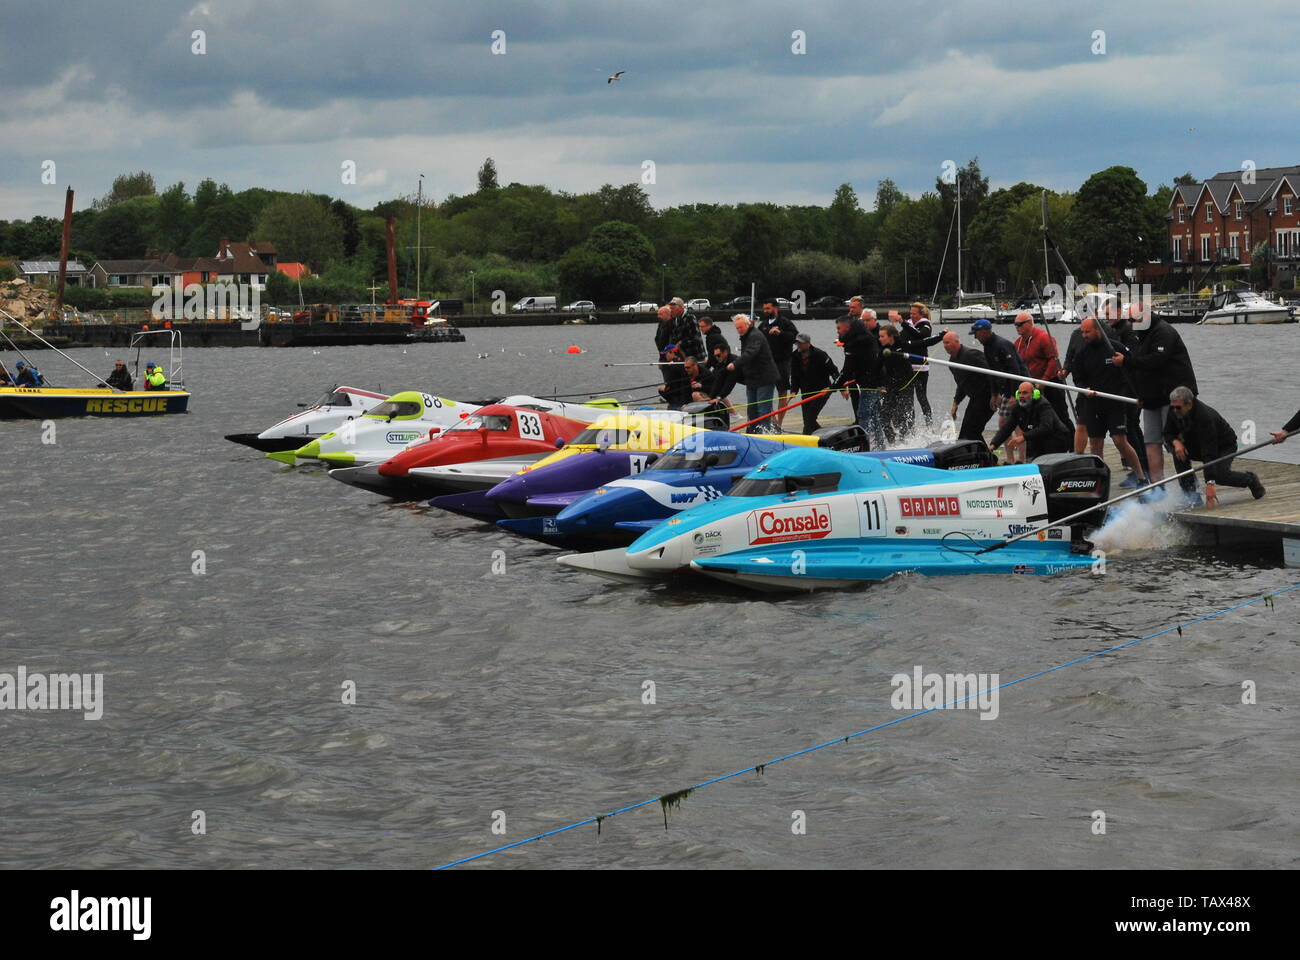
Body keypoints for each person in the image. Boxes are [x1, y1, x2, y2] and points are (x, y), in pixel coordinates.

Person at [1112, 310, 1197, 485]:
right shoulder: (1139, 336)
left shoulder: (1163, 331)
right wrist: (1139, 394)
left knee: (1175, 443)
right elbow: (1138, 368)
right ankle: (1158, 488)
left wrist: (1127, 361)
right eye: (1129, 320)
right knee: (1151, 442)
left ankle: (1189, 488)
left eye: (1133, 320)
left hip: (1172, 398)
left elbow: (1157, 360)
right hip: (1151, 398)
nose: (1130, 324)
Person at [1072, 318, 1148, 483]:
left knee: (1120, 441)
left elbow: (1132, 370)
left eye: (1087, 332)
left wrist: (1137, 393)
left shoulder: (1116, 348)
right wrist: (1085, 389)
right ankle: (1100, 481)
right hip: (1093, 404)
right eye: (1082, 332)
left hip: (1115, 403)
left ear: (1097, 331)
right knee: (1096, 444)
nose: (1084, 335)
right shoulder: (1082, 353)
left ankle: (1141, 476)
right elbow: (1078, 379)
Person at [1164, 386, 1264, 507]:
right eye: (1172, 407)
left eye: (1178, 408)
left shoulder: (1205, 417)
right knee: (1178, 453)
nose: (1174, 410)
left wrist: (1210, 483)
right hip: (1197, 445)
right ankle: (1191, 496)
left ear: (1189, 405)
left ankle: (1250, 479)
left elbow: (1209, 452)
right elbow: (1167, 432)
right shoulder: (1174, 410)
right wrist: (1176, 442)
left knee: (1219, 475)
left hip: (1224, 446)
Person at [1105, 305, 1152, 485]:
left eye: (1109, 313)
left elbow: (1133, 357)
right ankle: (1139, 466)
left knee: (1130, 426)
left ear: (1119, 312)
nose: (1106, 317)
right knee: (1131, 427)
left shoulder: (1127, 331)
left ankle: (1141, 467)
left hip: (1131, 386)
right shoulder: (1114, 330)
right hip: (1122, 384)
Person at [972, 318, 1028, 461]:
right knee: (1004, 423)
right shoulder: (987, 346)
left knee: (1016, 424)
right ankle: (1010, 459)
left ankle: (1021, 459)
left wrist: (1015, 395)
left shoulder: (1002, 344)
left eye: (976, 333)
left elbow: (1015, 369)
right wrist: (994, 394)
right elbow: (992, 372)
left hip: (1019, 388)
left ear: (984, 332)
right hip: (1006, 389)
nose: (975, 337)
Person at [1013, 312, 1072, 432]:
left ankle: (1070, 443)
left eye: (1020, 324)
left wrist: (1044, 381)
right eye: (1016, 325)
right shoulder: (1018, 343)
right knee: (1038, 417)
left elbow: (1053, 360)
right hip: (1032, 385)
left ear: (1029, 323)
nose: (1017, 327)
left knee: (1060, 415)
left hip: (1051, 382)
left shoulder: (1043, 337)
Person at [834, 313, 885, 449]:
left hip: (871, 383)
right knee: (873, 416)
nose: (837, 331)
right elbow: (858, 364)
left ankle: (863, 447)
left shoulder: (855, 343)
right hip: (876, 381)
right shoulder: (863, 337)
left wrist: (833, 386)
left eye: (839, 328)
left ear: (847, 327)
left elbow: (847, 370)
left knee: (863, 414)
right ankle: (880, 446)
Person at [988, 382, 1072, 460]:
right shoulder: (1017, 408)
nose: (1021, 396)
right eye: (1019, 393)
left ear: (1034, 394)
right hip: (1038, 441)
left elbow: (1046, 427)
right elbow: (1007, 428)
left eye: (1025, 393)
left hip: (1057, 439)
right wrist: (993, 444)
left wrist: (1024, 437)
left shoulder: (1043, 405)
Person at [942, 331, 997, 442]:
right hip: (975, 399)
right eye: (943, 343)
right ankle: (982, 457)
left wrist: (995, 395)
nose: (945, 346)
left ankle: (988, 458)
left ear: (957, 342)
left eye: (948, 343)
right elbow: (962, 384)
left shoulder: (972, 354)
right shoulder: (952, 362)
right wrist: (956, 402)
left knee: (972, 432)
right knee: (965, 434)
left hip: (987, 398)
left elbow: (992, 373)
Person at [731, 314, 779, 432]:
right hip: (752, 378)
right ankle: (752, 432)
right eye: (737, 328)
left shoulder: (755, 335)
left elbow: (751, 353)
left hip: (765, 377)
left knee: (763, 410)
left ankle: (765, 433)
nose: (739, 330)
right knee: (751, 409)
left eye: (741, 327)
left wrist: (735, 364)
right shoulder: (745, 336)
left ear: (748, 324)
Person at [757, 298, 799, 429]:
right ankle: (773, 420)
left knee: (782, 392)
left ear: (776, 308)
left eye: (768, 308)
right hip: (766, 364)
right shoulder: (762, 325)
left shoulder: (785, 323)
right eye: (764, 309)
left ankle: (780, 423)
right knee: (765, 393)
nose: (765, 311)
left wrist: (780, 333)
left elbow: (795, 337)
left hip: (782, 362)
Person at [900, 302, 943, 427]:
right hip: (907, 366)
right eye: (910, 313)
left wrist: (903, 323)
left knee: (921, 397)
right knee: (908, 399)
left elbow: (920, 336)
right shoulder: (908, 324)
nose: (911, 315)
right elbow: (902, 338)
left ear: (921, 314)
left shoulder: (925, 325)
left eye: (914, 314)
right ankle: (910, 427)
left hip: (920, 367)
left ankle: (929, 425)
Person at [789, 332, 838, 433]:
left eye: (800, 343)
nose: (798, 345)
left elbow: (833, 370)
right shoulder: (795, 356)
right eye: (797, 343)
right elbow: (794, 375)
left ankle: (805, 440)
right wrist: (794, 390)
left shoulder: (820, 354)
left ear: (808, 344)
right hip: (806, 392)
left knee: (809, 419)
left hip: (822, 391)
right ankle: (822, 434)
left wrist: (841, 388)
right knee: (807, 420)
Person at [877, 324, 917, 443]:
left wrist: (941, 336)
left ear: (891, 337)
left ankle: (906, 440)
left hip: (906, 386)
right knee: (883, 417)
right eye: (879, 336)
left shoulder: (903, 346)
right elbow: (876, 368)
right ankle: (892, 442)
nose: (880, 339)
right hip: (891, 387)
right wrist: (878, 383)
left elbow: (923, 342)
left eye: (882, 336)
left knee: (903, 416)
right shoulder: (882, 350)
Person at [701, 341, 739, 427]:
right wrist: (711, 397)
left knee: (761, 406)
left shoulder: (732, 362)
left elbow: (729, 383)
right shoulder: (722, 363)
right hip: (749, 382)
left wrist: (719, 397)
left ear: (725, 352)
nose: (717, 358)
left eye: (718, 355)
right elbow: (718, 381)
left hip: (757, 379)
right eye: (715, 356)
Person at [657, 345, 692, 409]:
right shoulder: (682, 361)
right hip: (685, 389)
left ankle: (674, 404)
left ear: (671, 352)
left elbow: (669, 381)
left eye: (666, 353)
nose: (665, 356)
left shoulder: (672, 365)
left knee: (661, 389)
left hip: (679, 392)